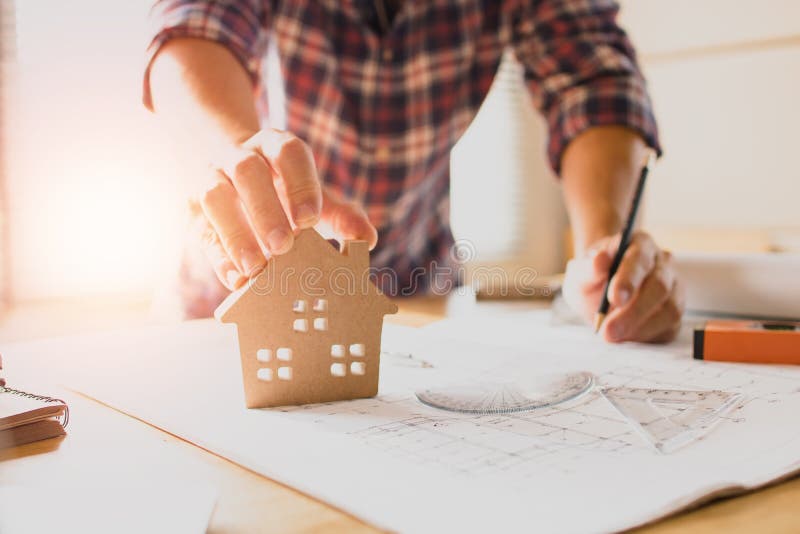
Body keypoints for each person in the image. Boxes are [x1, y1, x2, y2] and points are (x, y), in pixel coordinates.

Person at [145, 0, 684, 343]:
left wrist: (603, 254)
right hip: (229, 292)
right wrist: (234, 149)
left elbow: (594, 81)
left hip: (419, 303)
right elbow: (193, 26)